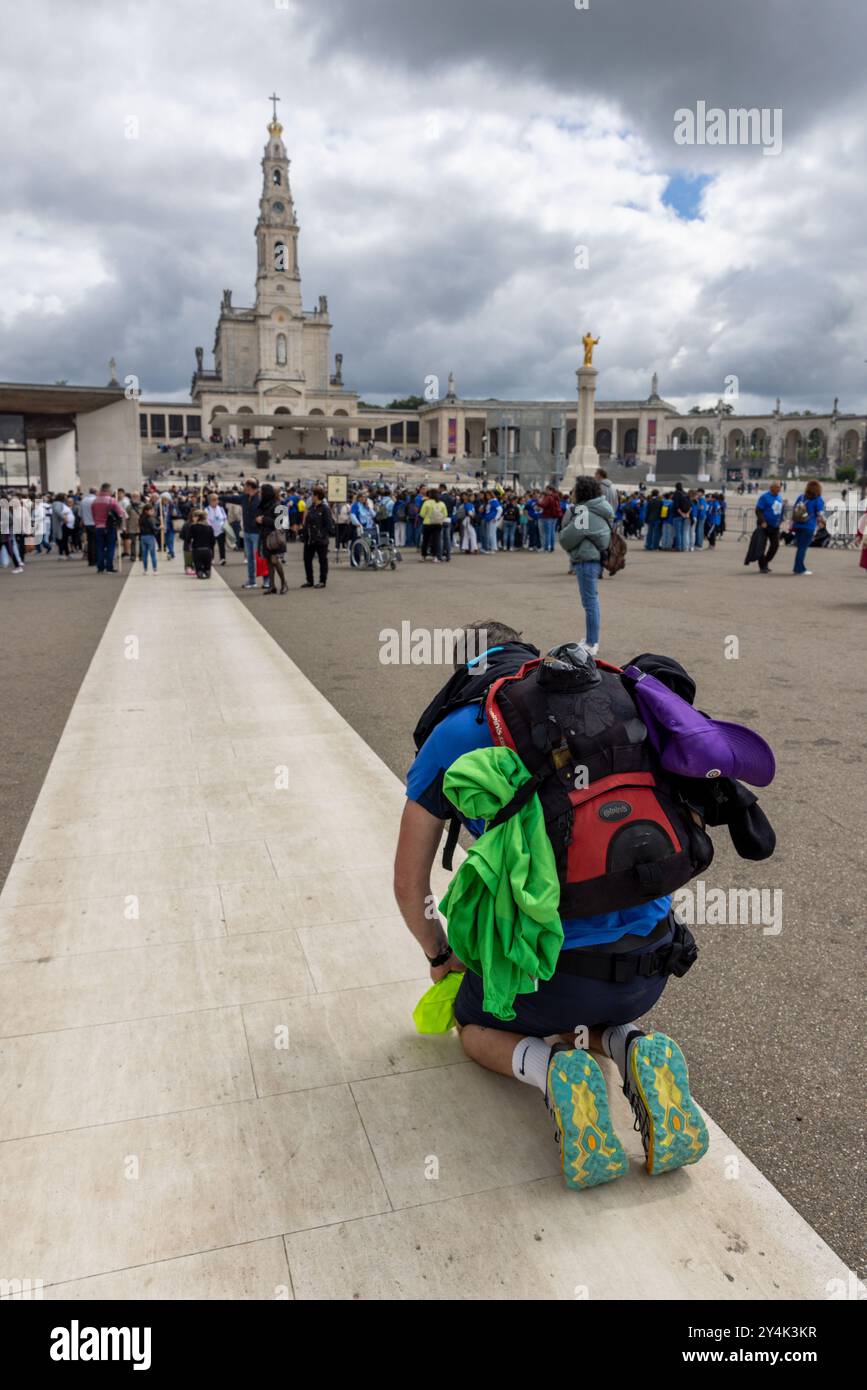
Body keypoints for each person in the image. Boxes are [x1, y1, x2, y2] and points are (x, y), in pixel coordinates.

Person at [395, 626, 775, 1192]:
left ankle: (551, 1071)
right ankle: (631, 1044)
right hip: (650, 966)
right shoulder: (617, 700)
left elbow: (409, 885)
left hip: (547, 979)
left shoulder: (460, 729)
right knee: (587, 1007)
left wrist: (441, 953)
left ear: (466, 670)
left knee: (474, 1024)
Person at [558, 476, 613, 657]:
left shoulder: (584, 512)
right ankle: (591, 638)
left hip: (586, 559)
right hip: (591, 558)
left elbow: (567, 538)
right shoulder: (597, 509)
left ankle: (592, 641)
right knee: (591, 602)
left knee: (590, 602)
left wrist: (565, 532)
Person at [220, 479, 262, 589]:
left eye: (244, 486)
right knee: (250, 557)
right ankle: (252, 580)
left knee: (261, 557)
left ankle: (267, 580)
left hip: (258, 532)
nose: (243, 487)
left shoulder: (260, 497)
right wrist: (219, 497)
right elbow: (232, 498)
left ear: (249, 487)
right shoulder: (244, 497)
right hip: (247, 531)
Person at [256, 482, 287, 595]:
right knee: (268, 561)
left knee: (274, 560)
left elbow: (281, 523)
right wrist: (258, 521)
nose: (260, 494)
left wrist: (263, 519)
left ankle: (284, 583)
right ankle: (272, 586)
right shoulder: (263, 504)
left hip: (275, 538)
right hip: (266, 537)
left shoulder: (279, 504)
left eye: (262, 492)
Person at [301, 485, 334, 589]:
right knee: (307, 559)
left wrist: (321, 534)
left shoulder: (325, 509)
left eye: (313, 495)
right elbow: (307, 522)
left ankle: (322, 580)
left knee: (322, 560)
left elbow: (328, 525)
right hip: (310, 539)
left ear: (317, 496)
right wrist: (304, 533)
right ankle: (309, 580)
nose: (311, 497)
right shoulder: (311, 508)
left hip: (320, 540)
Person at [791, 479, 825, 576]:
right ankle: (798, 568)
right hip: (808, 526)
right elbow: (820, 514)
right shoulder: (818, 499)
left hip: (797, 525)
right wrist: (823, 522)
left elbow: (794, 509)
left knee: (800, 547)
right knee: (803, 548)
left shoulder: (801, 497)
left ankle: (800, 567)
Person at [751, 479, 784, 575]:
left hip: (775, 526)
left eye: (779, 487)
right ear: (771, 488)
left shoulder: (779, 498)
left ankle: (765, 561)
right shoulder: (764, 497)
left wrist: (781, 519)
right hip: (764, 525)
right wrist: (762, 521)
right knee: (762, 546)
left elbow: (780, 510)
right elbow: (758, 510)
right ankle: (762, 566)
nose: (779, 489)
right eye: (777, 487)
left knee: (775, 545)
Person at [91, 483, 126, 573]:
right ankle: (109, 567)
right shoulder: (112, 500)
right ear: (108, 490)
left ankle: (100, 568)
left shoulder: (95, 501)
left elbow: (93, 515)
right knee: (110, 547)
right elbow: (121, 513)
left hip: (98, 527)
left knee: (99, 547)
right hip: (110, 526)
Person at [206, 493, 228, 566]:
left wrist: (225, 525)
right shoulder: (207, 509)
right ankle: (211, 558)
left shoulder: (221, 508)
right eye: (214, 500)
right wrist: (210, 527)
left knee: (221, 545)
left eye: (217, 499)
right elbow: (206, 519)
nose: (216, 501)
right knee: (211, 545)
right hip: (211, 530)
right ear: (210, 501)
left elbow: (225, 517)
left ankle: (222, 558)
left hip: (221, 530)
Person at [139, 504, 159, 573]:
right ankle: (155, 569)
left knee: (144, 555)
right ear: (146, 511)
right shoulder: (151, 519)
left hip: (142, 537)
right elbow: (154, 528)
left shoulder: (141, 518)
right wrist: (160, 528)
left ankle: (145, 569)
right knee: (152, 554)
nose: (153, 512)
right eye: (151, 511)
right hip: (150, 537)